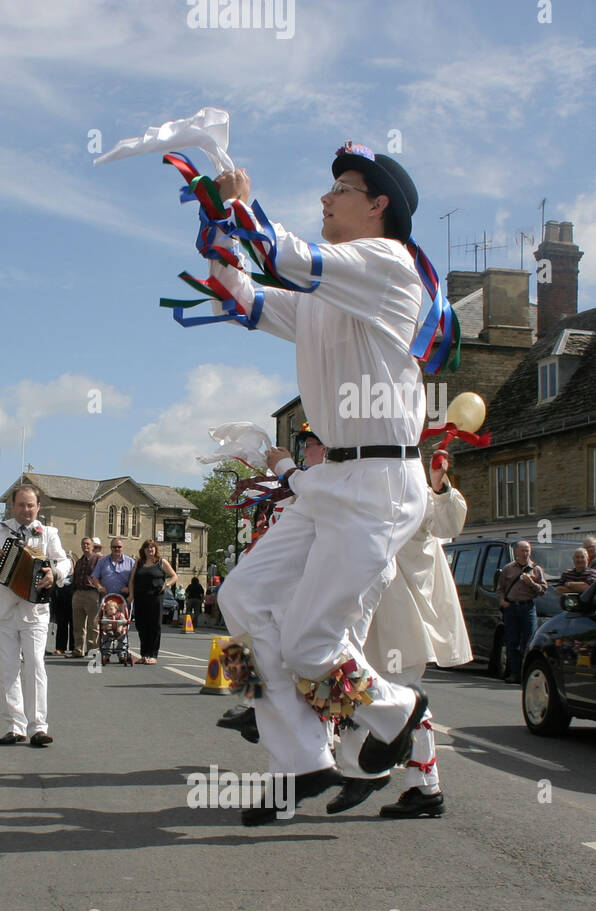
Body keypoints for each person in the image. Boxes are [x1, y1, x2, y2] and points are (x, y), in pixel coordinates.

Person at [203, 142, 437, 823]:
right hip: (330, 478)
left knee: (313, 643)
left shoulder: (392, 265)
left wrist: (240, 201)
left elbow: (285, 256)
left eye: (340, 188)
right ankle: (302, 761)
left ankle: (403, 714)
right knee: (240, 596)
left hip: (380, 482)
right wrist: (219, 222)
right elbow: (241, 293)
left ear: (379, 204)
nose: (326, 199)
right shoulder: (320, 299)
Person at [326, 452, 470, 818]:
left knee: (398, 699)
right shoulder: (375, 495)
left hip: (404, 621)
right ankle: (390, 777)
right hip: (377, 620)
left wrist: (438, 486)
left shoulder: (413, 495)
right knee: (369, 694)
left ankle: (413, 784)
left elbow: (449, 522)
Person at [0, 484, 70, 746]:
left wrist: (54, 573)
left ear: (38, 507)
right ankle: (15, 725)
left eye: (31, 505)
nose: (26, 510)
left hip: (34, 611)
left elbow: (65, 561)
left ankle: (39, 727)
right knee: (6, 669)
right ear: (13, 506)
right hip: (1, 612)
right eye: (21, 505)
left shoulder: (47, 533)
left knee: (35, 664)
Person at [496, 540, 546, 684]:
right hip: (511, 608)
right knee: (512, 642)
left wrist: (532, 583)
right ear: (516, 552)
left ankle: (526, 674)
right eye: (523, 550)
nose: (525, 553)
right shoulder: (508, 568)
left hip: (527, 608)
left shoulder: (536, 569)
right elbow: (501, 588)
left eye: (528, 550)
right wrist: (502, 601)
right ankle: (514, 673)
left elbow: (543, 590)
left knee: (528, 642)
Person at [127, 539, 176, 664]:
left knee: (154, 626)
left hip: (155, 598)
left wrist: (167, 585)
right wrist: (131, 595)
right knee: (141, 626)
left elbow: (174, 576)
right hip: (140, 598)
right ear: (143, 550)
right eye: (147, 547)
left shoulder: (161, 562)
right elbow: (132, 580)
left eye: (152, 547)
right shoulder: (138, 562)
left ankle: (153, 655)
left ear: (156, 549)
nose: (150, 550)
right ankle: (144, 654)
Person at [69, 537, 100, 657]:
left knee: (93, 624)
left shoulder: (98, 559)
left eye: (87, 544)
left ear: (92, 546)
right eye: (83, 544)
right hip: (78, 593)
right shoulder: (80, 561)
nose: (85, 546)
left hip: (92, 593)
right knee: (78, 625)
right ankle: (78, 649)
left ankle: (92, 650)